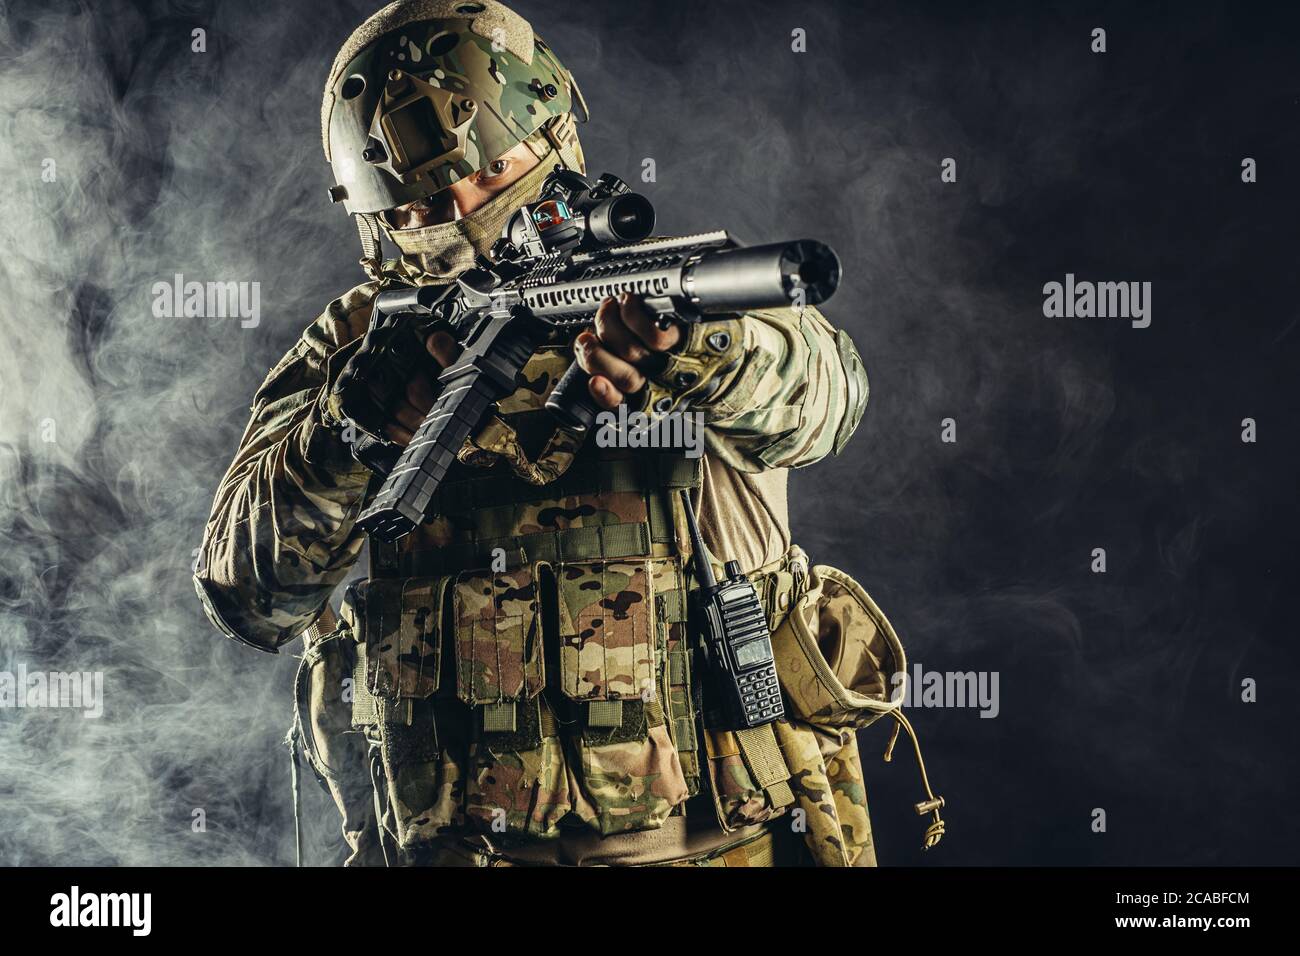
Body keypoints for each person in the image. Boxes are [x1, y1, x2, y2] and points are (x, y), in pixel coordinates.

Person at [194, 0, 905, 867]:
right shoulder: (358, 343)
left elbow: (830, 404)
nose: (459, 213)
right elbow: (246, 595)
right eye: (420, 205)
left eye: (486, 176)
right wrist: (351, 432)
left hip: (718, 841)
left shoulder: (690, 291)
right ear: (375, 211)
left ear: (552, 143)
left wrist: (700, 348)